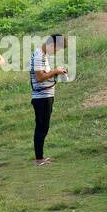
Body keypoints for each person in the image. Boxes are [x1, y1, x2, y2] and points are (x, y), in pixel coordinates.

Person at [30, 33, 67, 165]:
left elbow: (44, 75)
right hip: (42, 98)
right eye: (57, 49)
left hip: (45, 96)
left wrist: (56, 72)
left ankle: (40, 157)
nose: (57, 52)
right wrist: (56, 71)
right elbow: (39, 77)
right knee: (42, 127)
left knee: (43, 127)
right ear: (53, 45)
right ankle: (39, 159)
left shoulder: (43, 55)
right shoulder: (39, 55)